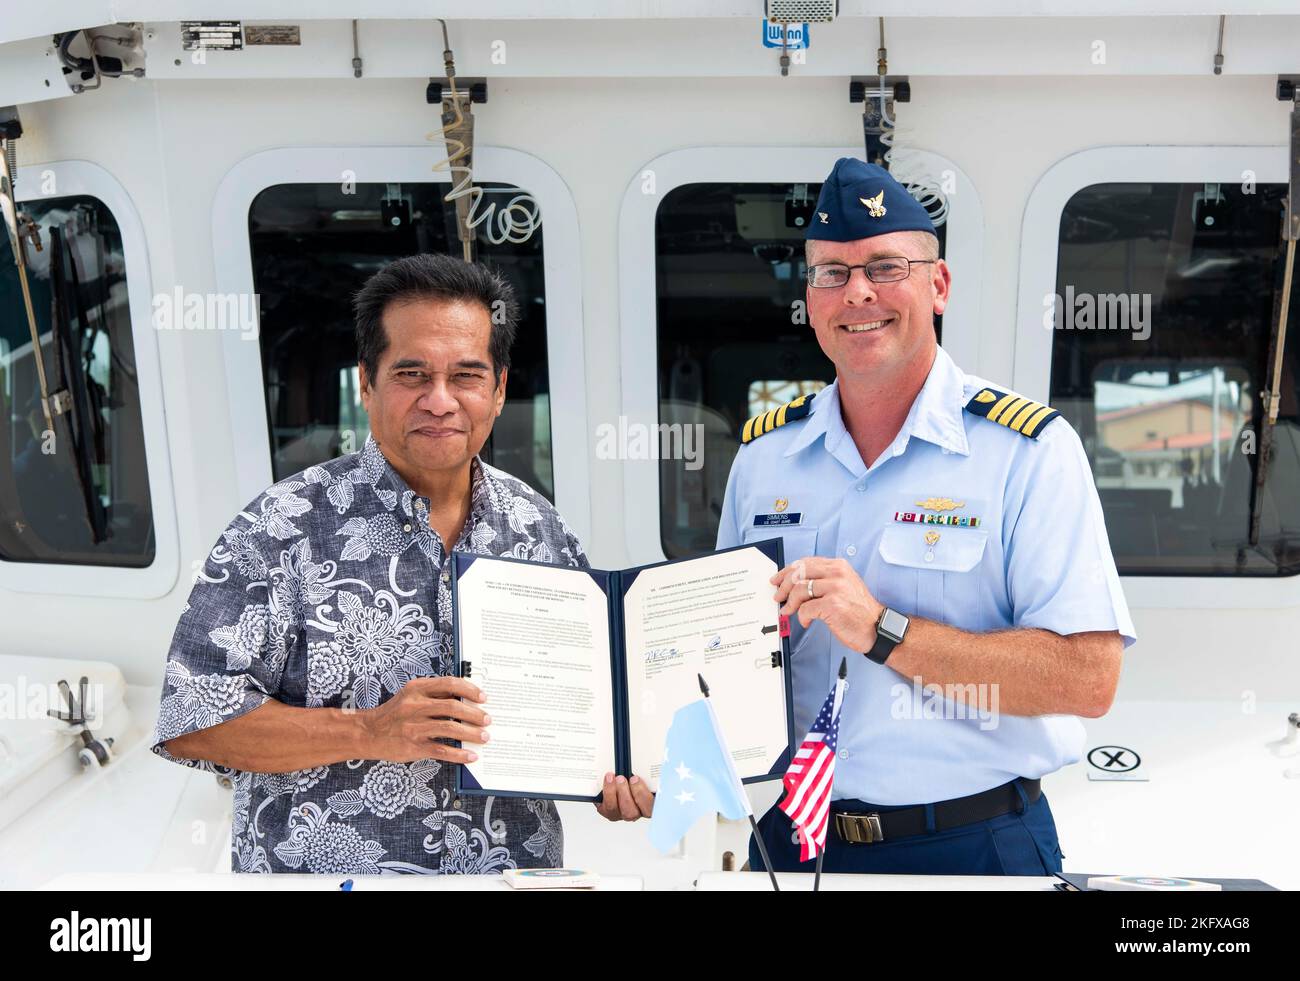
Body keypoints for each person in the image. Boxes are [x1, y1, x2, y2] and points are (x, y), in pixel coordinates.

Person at [152, 253, 649, 875]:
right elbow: (192, 721)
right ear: (367, 383)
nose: (439, 401)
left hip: (510, 883)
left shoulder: (540, 528)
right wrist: (368, 730)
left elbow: (593, 718)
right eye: (411, 373)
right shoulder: (281, 526)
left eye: (466, 375)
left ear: (498, 390)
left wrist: (619, 775)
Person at [716, 158, 1136, 876]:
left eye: (885, 266)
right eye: (831, 273)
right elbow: (723, 656)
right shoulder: (764, 458)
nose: (857, 293)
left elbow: (1086, 678)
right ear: (810, 299)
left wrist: (883, 628)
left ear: (937, 286)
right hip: (797, 841)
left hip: (973, 845)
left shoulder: (1026, 452)